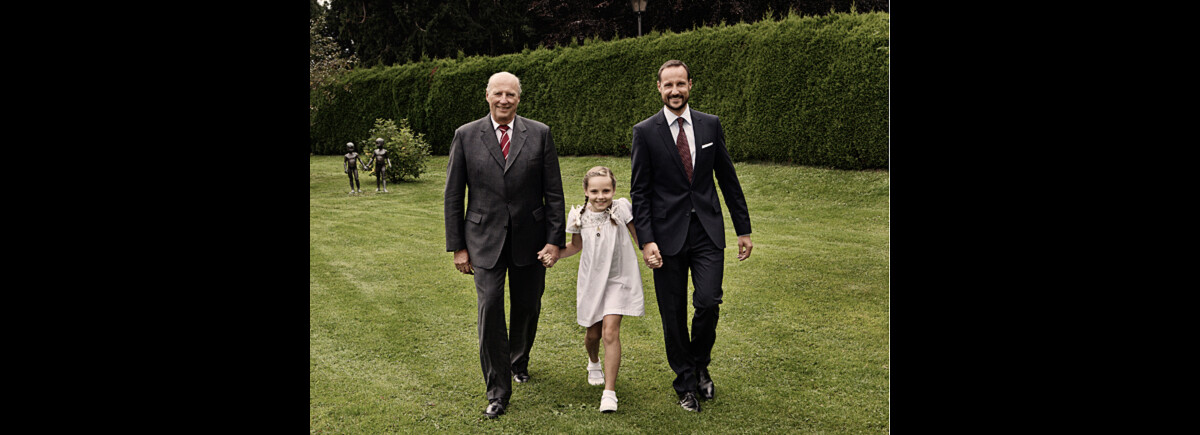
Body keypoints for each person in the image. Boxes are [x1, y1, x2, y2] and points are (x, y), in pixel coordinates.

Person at [629, 59, 753, 413]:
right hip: (665, 237)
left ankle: (699, 363)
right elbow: (640, 192)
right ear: (659, 88)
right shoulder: (646, 131)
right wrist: (646, 240)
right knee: (672, 312)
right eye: (668, 85)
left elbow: (727, 179)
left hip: (707, 233)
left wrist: (742, 229)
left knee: (709, 301)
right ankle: (685, 381)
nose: (674, 91)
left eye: (680, 84)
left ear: (690, 85)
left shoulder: (710, 125)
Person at [443, 71, 566, 419]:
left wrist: (554, 241)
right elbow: (454, 195)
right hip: (483, 241)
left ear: (519, 98)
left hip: (531, 239)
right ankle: (497, 390)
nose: (504, 100)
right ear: (487, 96)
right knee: (491, 307)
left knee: (528, 305)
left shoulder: (539, 134)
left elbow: (553, 193)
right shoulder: (466, 136)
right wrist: (458, 247)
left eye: (510, 94)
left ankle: (518, 359)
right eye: (498, 93)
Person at [553, 166, 649, 413]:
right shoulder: (578, 216)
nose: (601, 196)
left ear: (613, 190)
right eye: (595, 191)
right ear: (586, 191)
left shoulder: (621, 208)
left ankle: (609, 393)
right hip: (592, 281)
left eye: (606, 190)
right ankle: (593, 361)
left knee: (609, 333)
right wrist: (553, 253)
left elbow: (639, 236)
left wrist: (650, 252)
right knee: (593, 334)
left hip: (619, 278)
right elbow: (575, 247)